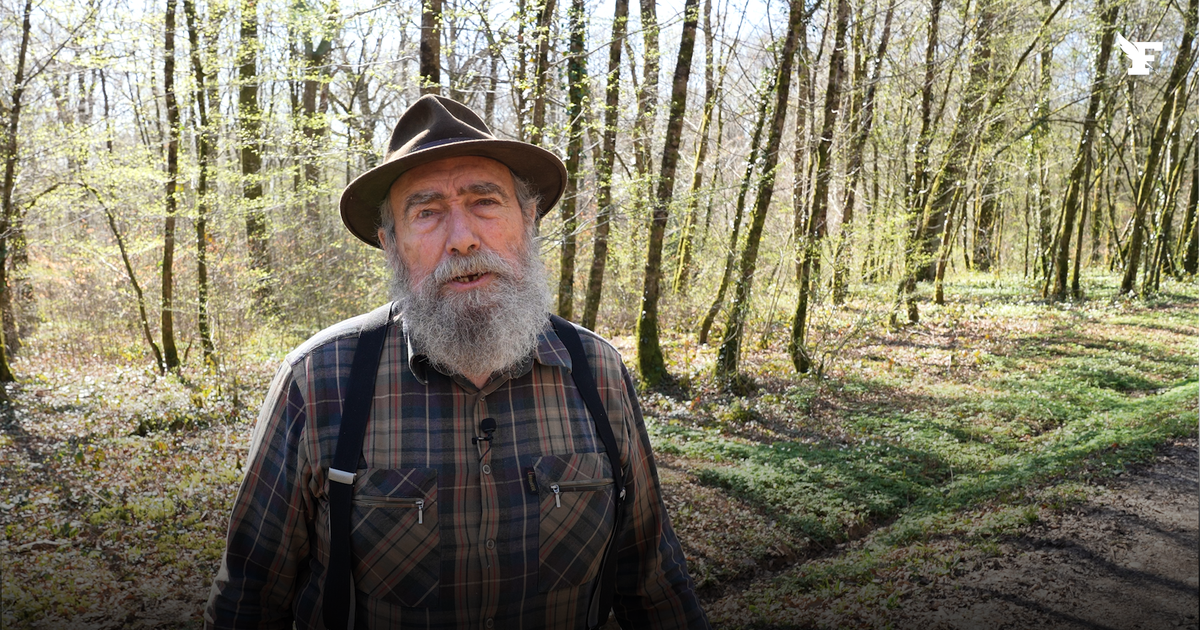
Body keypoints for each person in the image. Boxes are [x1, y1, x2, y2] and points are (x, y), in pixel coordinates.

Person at [205, 95, 709, 629]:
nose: (463, 239)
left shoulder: (597, 372)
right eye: (426, 213)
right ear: (391, 243)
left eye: (484, 202)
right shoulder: (318, 380)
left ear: (528, 217)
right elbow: (247, 603)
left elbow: (654, 584)